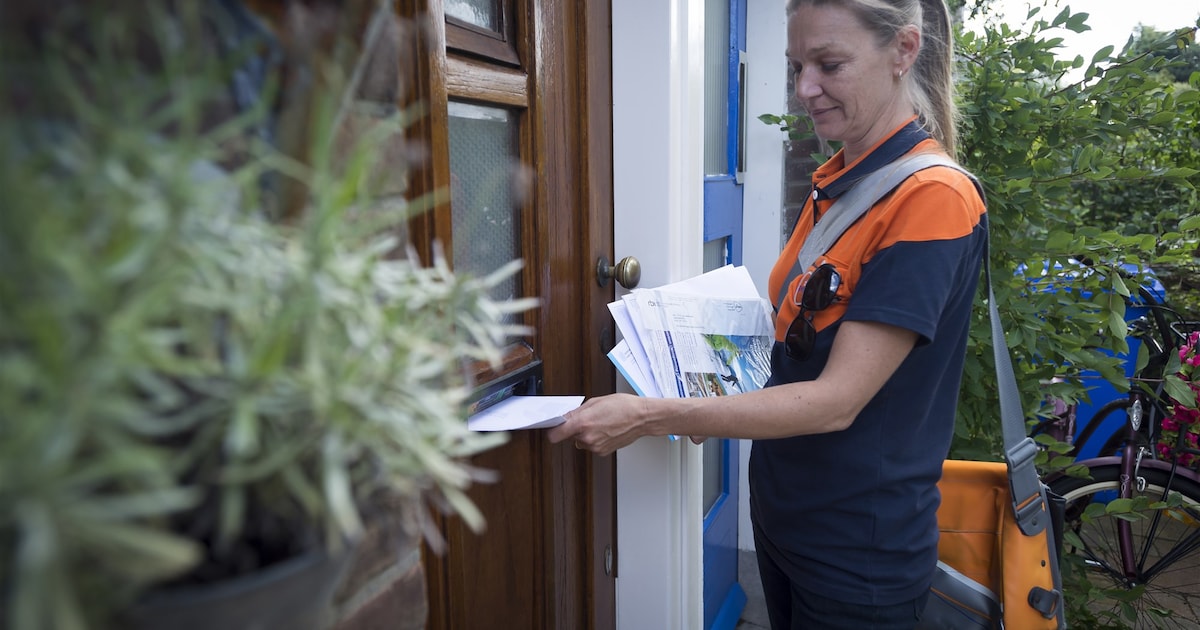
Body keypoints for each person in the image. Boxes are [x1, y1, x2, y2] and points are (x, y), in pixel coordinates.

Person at [548, 0, 986, 627]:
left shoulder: (930, 199)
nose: (805, 88)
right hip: (788, 519)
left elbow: (835, 401)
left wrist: (649, 415)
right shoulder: (840, 177)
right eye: (797, 65)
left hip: (856, 554)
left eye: (829, 64)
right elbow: (802, 339)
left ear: (904, 50)